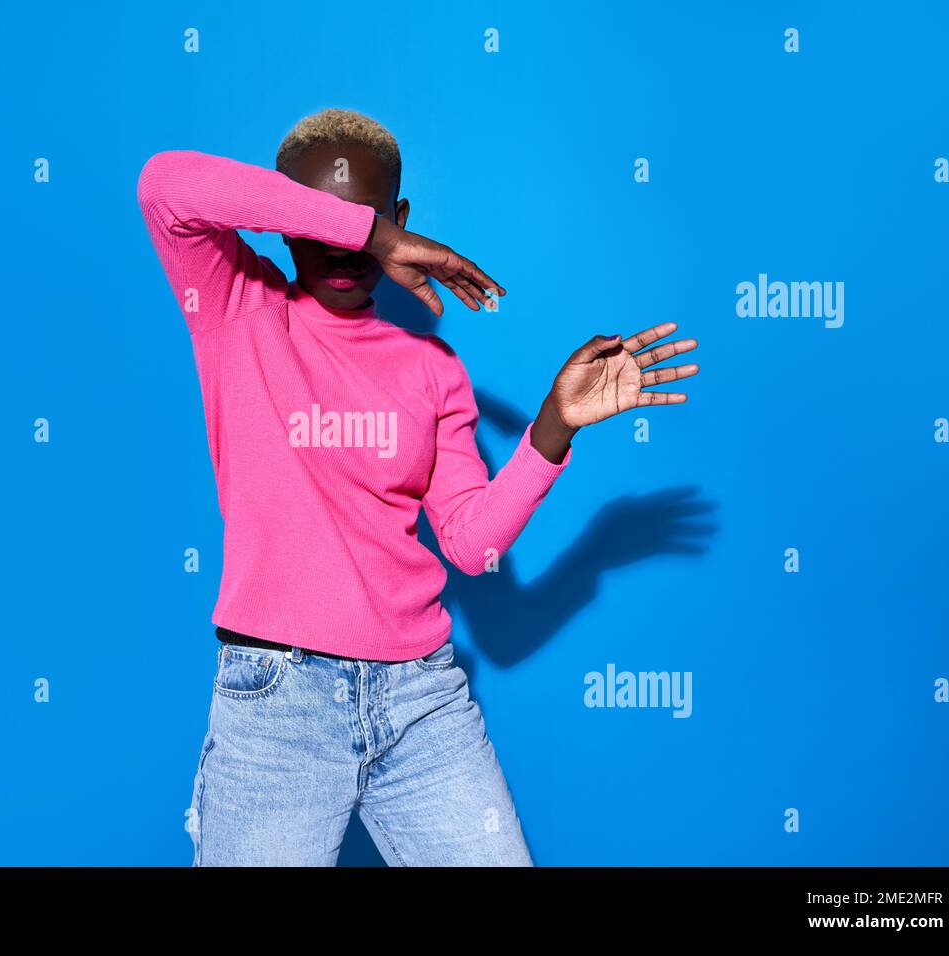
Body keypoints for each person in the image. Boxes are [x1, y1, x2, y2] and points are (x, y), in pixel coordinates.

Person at [137, 108, 699, 866]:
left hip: (420, 703)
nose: (342, 242)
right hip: (277, 704)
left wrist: (552, 427)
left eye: (366, 219)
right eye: (322, 221)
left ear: (402, 216)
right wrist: (365, 233)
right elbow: (164, 183)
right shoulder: (237, 309)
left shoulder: (431, 370)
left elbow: (471, 543)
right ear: (281, 212)